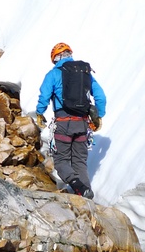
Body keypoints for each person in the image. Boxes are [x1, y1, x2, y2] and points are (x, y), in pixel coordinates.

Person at [36, 42, 106, 199]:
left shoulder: (54, 74)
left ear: (55, 59)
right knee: (80, 162)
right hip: (82, 124)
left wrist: (40, 113)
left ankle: (78, 186)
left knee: (61, 162)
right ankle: (86, 196)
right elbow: (100, 96)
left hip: (63, 123)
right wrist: (99, 116)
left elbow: (44, 95)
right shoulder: (85, 73)